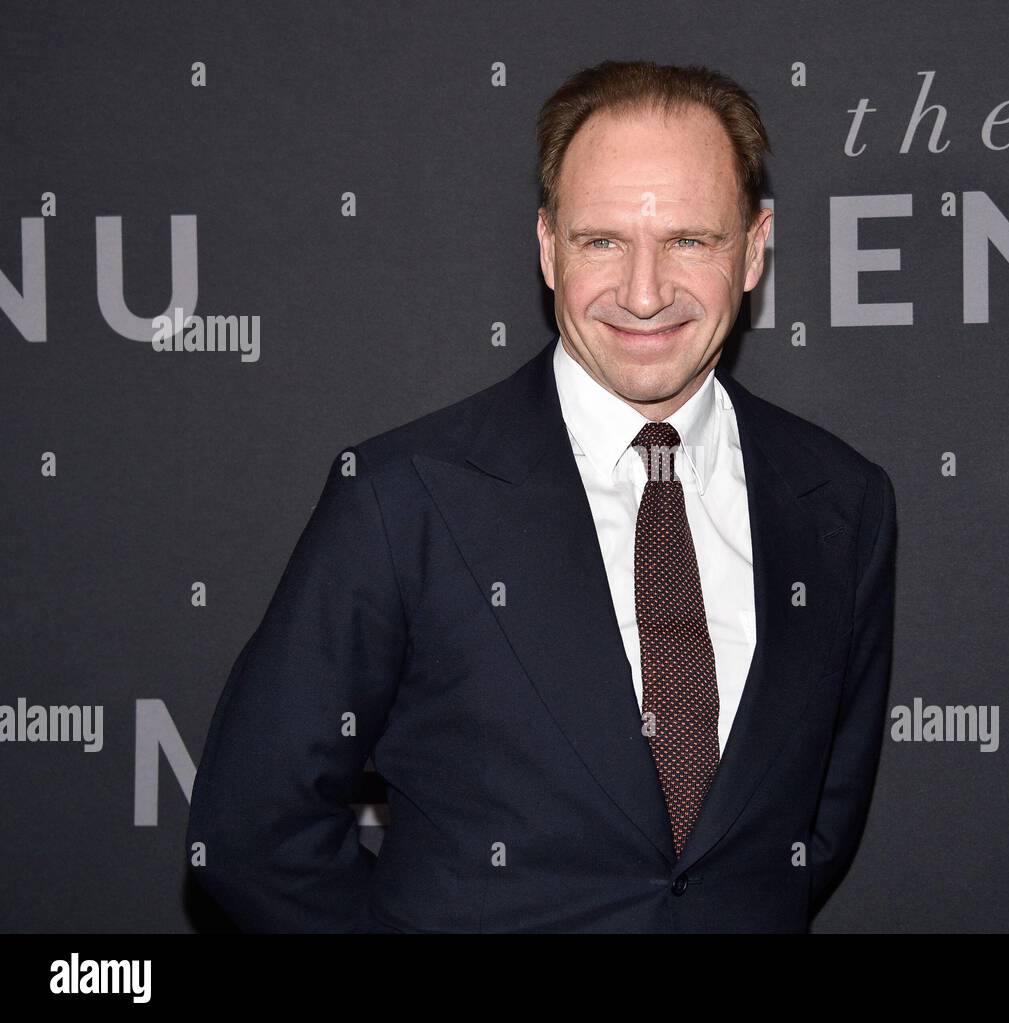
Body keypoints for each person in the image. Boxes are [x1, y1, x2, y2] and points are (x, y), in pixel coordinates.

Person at [185, 58, 897, 933]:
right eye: (603, 240)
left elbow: (813, 832)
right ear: (547, 247)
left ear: (753, 249)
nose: (645, 293)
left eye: (689, 240)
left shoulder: (843, 504)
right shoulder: (404, 499)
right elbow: (252, 832)